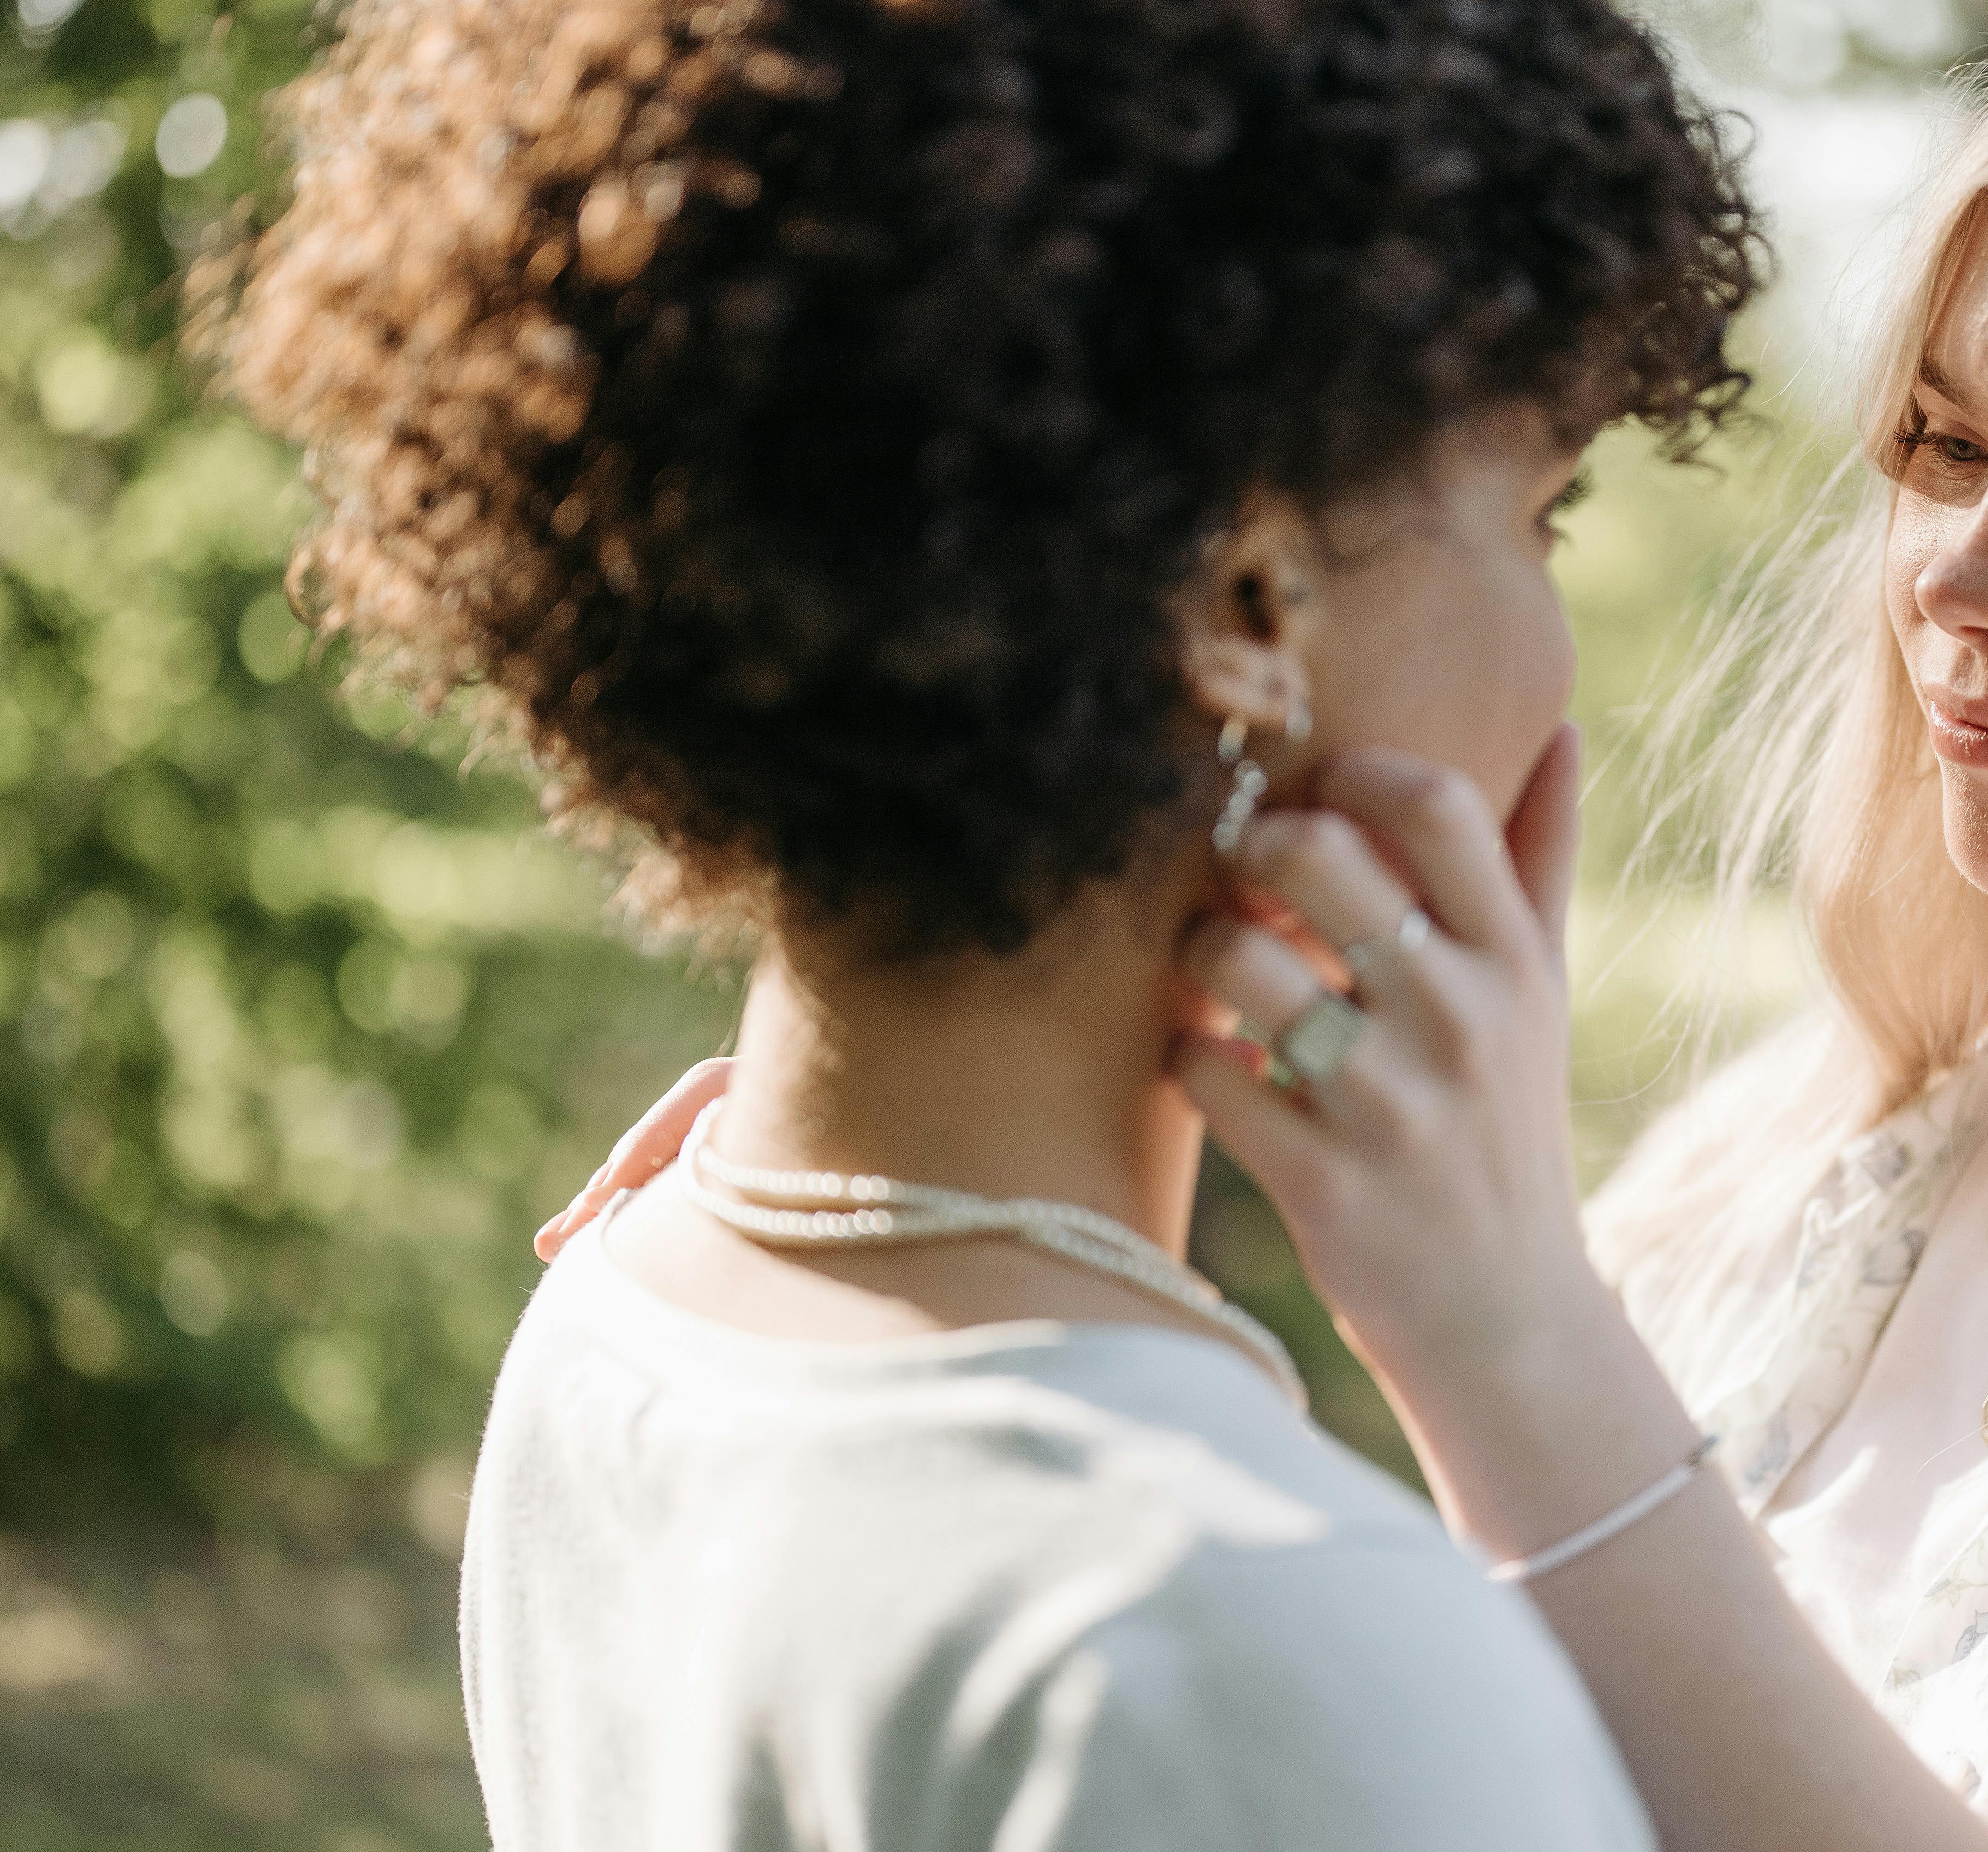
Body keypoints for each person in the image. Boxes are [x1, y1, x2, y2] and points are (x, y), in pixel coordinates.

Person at [562, 0, 1988, 1846]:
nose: (1962, 585)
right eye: (1934, 446)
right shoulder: (1800, 1150)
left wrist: (1513, 1343)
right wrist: (898, 1220)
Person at [196, 0, 1767, 1844]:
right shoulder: (1271, 1627)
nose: (1555, 662)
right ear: (1247, 599)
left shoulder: (617, 1309)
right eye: (1545, 510)